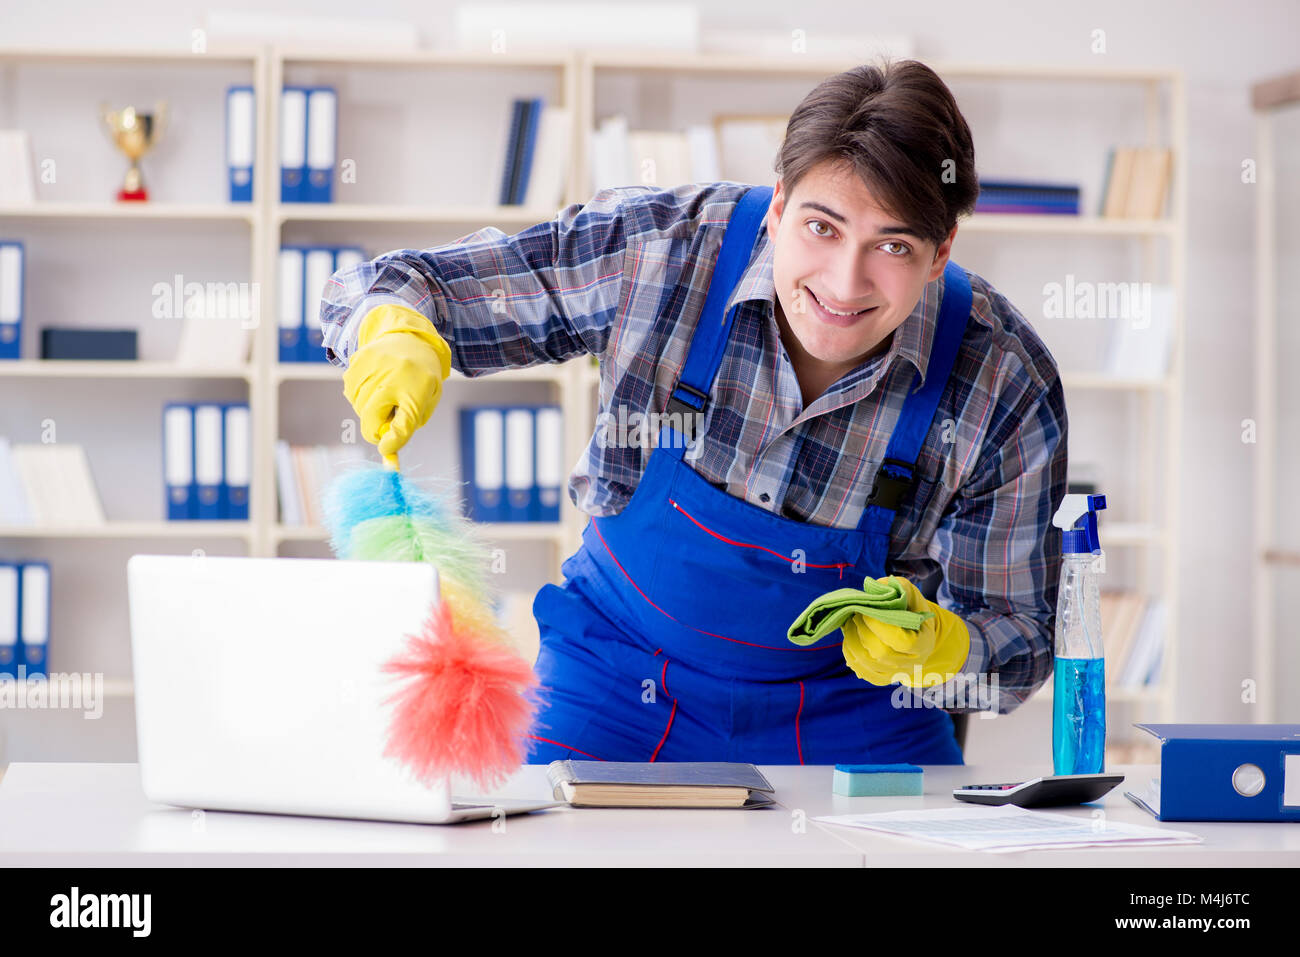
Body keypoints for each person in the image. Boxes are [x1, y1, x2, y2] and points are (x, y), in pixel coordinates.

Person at [321, 58, 1067, 766]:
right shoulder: (663, 252)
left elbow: (1020, 645)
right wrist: (392, 326)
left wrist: (943, 651)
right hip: (615, 678)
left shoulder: (1002, 382)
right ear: (778, 207)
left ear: (941, 254)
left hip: (857, 709)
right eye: (821, 227)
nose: (844, 281)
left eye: (893, 246)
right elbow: (400, 284)